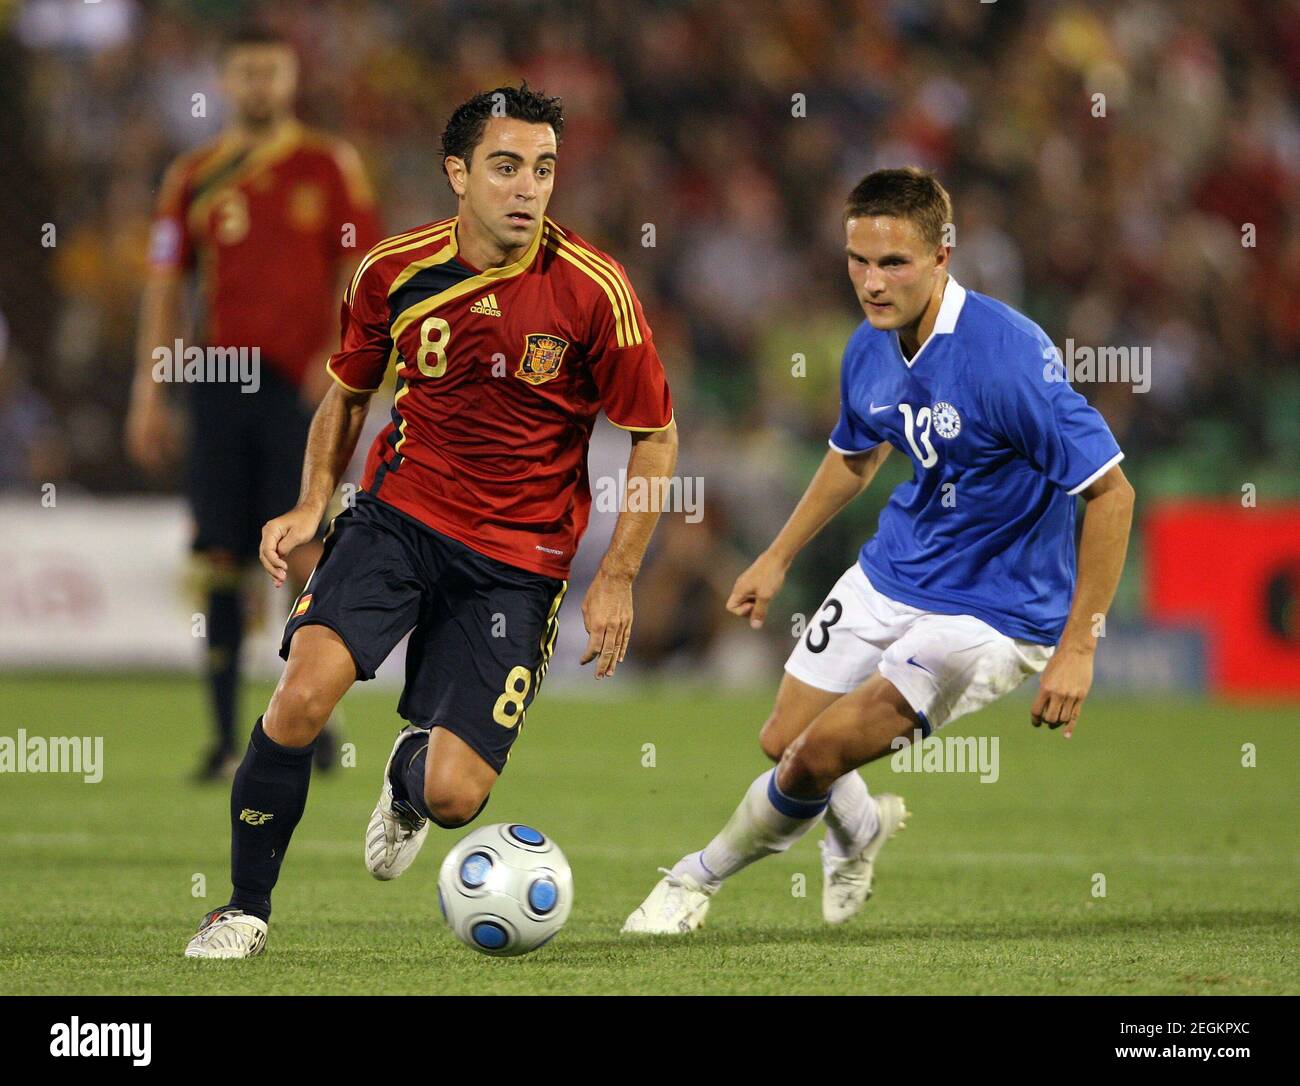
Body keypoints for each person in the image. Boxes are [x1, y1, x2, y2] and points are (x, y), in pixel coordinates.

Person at [184, 84, 678, 959]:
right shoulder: (392, 271)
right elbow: (348, 392)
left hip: (519, 562)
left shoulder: (595, 289)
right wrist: (310, 502)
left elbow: (655, 435)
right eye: (506, 167)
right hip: (398, 520)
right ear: (457, 173)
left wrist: (617, 575)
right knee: (301, 698)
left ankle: (408, 783)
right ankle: (242, 909)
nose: (528, 188)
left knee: (457, 796)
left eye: (544, 169)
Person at [623, 167, 1134, 934]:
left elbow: (1111, 493)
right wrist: (777, 556)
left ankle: (694, 882)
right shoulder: (870, 346)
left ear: (942, 256)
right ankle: (860, 830)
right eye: (858, 260)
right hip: (897, 568)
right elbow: (856, 454)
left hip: (994, 610)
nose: (871, 280)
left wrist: (1079, 646)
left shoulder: (1007, 358)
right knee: (781, 739)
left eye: (893, 262)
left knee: (811, 758)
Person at [126, 25, 381, 779]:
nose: (260, 84)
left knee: (305, 553)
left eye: (272, 70)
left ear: (292, 77)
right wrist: (149, 387)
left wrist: (344, 369)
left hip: (298, 389)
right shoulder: (195, 175)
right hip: (215, 382)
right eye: (246, 71)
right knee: (220, 558)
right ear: (227, 80)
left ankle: (307, 724)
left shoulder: (329, 165)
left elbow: (361, 271)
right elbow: (167, 286)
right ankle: (222, 737)